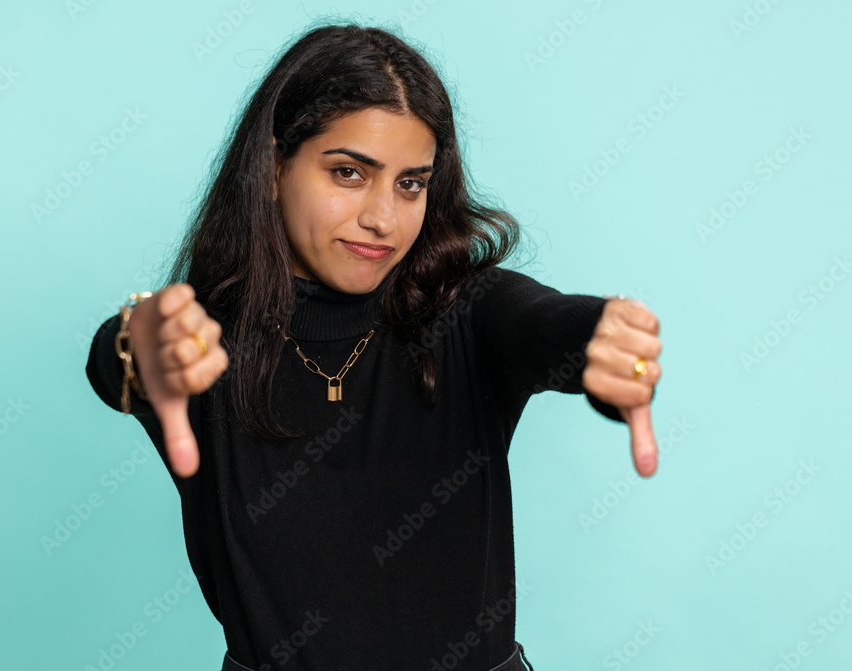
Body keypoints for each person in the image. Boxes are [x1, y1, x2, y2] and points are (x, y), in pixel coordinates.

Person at [85, 22, 661, 671]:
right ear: (274, 168)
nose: (383, 217)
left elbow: (545, 324)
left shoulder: (469, 312)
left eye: (410, 182)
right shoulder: (203, 342)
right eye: (349, 172)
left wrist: (605, 345)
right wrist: (136, 344)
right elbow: (119, 358)